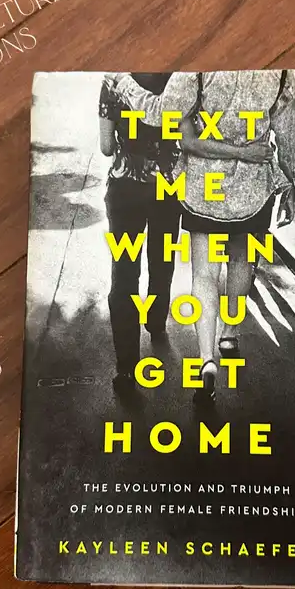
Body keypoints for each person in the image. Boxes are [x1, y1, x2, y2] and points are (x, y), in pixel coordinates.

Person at [108, 70, 295, 402]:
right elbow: (289, 133)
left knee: (204, 275)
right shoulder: (281, 71)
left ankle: (206, 360)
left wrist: (123, 83)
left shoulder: (199, 67)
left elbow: (162, 113)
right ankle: (230, 333)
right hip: (255, 185)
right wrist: (292, 184)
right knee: (242, 262)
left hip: (205, 185)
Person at [99, 72, 181, 393]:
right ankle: (156, 320)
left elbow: (107, 147)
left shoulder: (113, 80)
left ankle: (126, 368)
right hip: (167, 188)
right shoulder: (178, 78)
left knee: (124, 274)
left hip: (125, 190)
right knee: (162, 259)